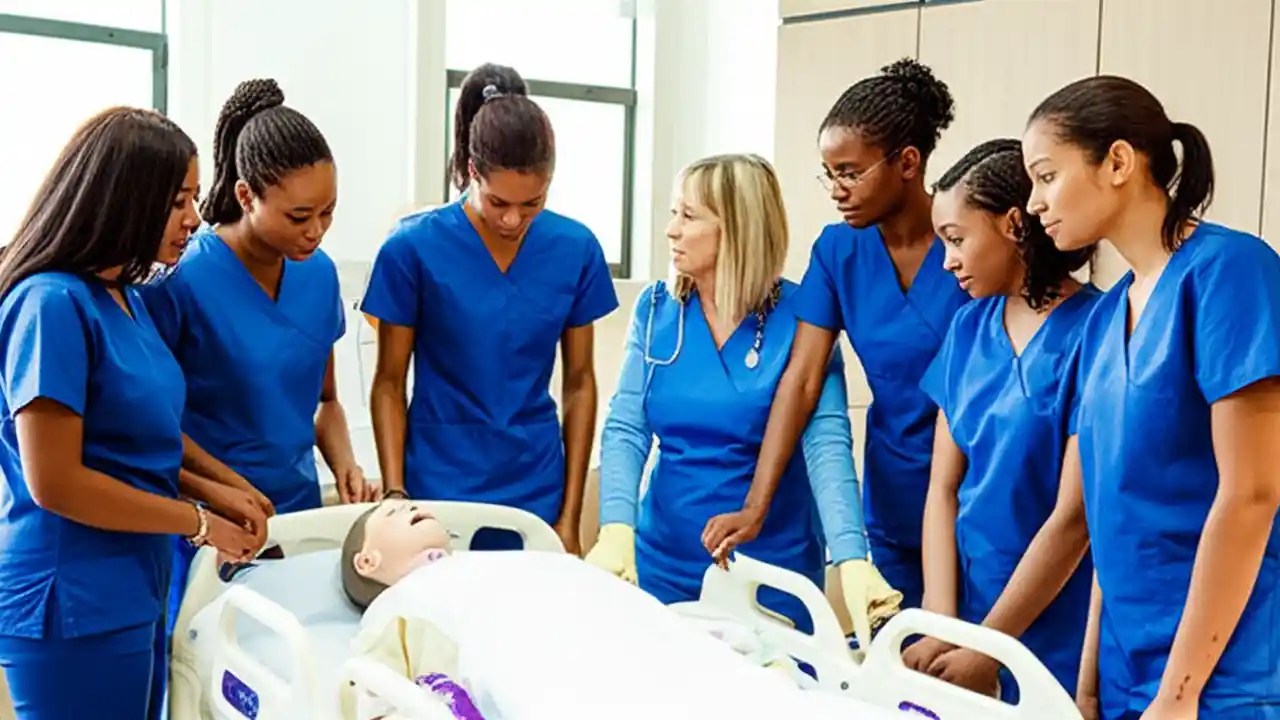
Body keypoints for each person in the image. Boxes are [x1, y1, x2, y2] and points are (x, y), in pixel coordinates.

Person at [1020, 76, 1280, 719]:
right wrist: (1088, 685)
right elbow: (1100, 518)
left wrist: (1180, 693)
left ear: (1117, 162)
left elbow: (1253, 493)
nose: (1033, 202)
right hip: (1126, 675)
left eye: (1047, 176)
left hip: (1227, 679)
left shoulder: (1230, 273)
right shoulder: (1102, 321)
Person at [0, 107, 261, 719]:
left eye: (193, 198)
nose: (193, 219)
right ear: (124, 197)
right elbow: (56, 480)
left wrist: (225, 488)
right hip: (72, 597)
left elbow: (134, 443)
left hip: (132, 586)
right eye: (177, 201)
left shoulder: (124, 297)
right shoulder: (51, 304)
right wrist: (197, 521)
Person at [584, 153, 899, 645]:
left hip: (770, 571)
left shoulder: (804, 315)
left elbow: (827, 445)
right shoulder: (657, 310)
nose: (671, 230)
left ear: (736, 229)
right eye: (674, 213)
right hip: (663, 558)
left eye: (688, 216)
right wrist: (616, 528)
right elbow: (626, 427)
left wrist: (852, 557)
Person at [711, 58, 969, 612]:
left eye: (850, 172)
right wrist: (756, 506)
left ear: (907, 162)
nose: (836, 189)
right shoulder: (838, 250)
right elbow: (802, 380)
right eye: (828, 173)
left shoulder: (967, 244)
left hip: (979, 496)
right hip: (895, 494)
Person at [142, 78, 370, 638]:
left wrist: (344, 463)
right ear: (246, 196)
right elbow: (149, 424)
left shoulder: (319, 276)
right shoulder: (181, 280)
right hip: (201, 526)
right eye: (298, 216)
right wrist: (219, 491)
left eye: (328, 212)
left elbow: (326, 402)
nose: (316, 231)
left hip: (293, 522)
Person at [360, 63, 618, 553]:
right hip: (436, 489)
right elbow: (389, 382)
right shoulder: (412, 247)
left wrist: (570, 515)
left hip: (536, 489)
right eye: (499, 201)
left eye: (533, 203)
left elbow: (580, 382)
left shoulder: (575, 249)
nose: (514, 218)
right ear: (473, 170)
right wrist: (394, 496)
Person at [338, 501, 877, 720]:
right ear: (369, 558)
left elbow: (611, 606)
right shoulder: (403, 602)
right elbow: (368, 684)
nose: (413, 504)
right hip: (557, 665)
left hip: (616, 632)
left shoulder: (519, 562)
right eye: (393, 512)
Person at [895, 139, 1098, 701]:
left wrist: (990, 646)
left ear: (1013, 224)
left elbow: (1074, 518)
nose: (947, 261)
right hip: (968, 608)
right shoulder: (968, 329)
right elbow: (942, 488)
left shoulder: (1096, 332)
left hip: (1054, 626)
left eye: (957, 240)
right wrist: (943, 624)